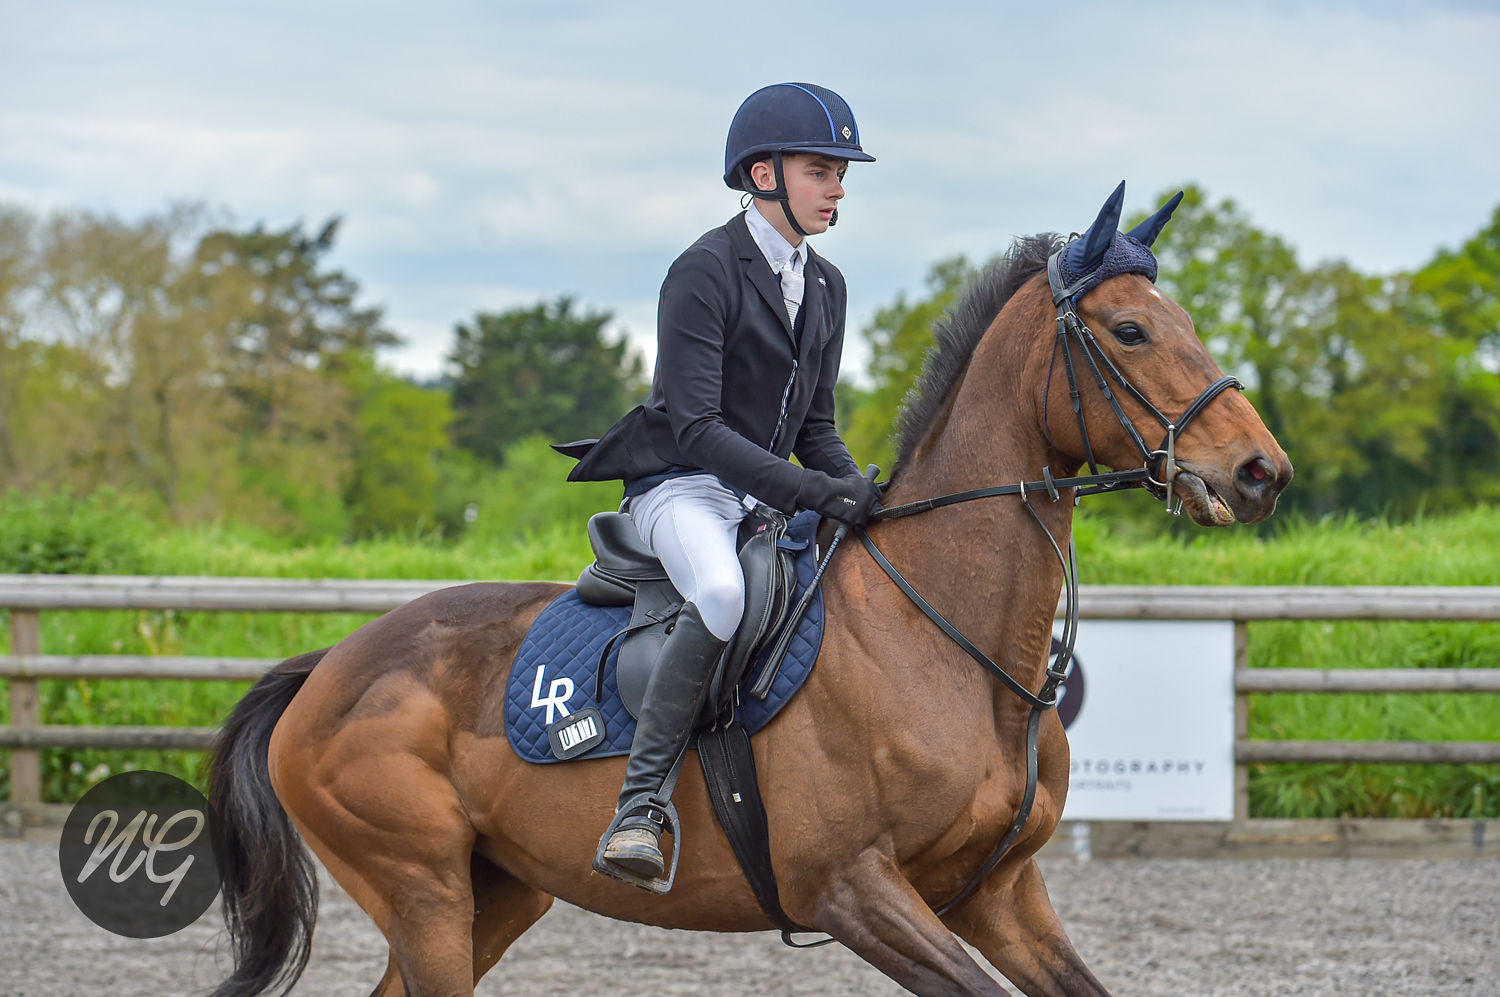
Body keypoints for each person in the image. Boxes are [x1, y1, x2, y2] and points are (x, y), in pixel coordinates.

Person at [561, 82, 883, 888]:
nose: (838, 187)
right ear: (764, 174)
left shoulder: (827, 285)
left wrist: (863, 493)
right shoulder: (703, 270)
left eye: (841, 173)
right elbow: (698, 428)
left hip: (763, 494)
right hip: (684, 484)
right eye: (821, 170)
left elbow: (814, 428)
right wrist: (813, 494)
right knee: (721, 593)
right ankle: (639, 808)